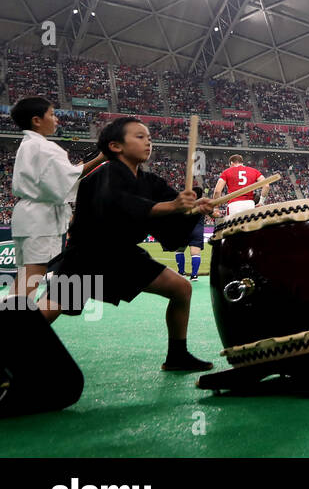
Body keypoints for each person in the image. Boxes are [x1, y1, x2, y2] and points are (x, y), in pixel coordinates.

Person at [38, 117, 214, 372]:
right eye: (140, 137)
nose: (148, 141)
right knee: (49, 311)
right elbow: (117, 205)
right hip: (88, 256)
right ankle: (9, 353)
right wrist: (173, 206)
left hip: (123, 255)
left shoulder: (150, 182)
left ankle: (177, 355)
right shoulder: (105, 174)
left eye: (149, 138)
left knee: (181, 289)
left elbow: (171, 212)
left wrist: (195, 208)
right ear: (116, 146)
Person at [8, 97, 102, 300]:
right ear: (36, 120)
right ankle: (13, 323)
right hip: (39, 217)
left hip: (27, 213)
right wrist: (102, 158)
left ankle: (12, 317)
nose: (56, 119)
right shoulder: (44, 147)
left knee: (26, 273)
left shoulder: (29, 144)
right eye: (51, 114)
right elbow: (71, 177)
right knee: (34, 272)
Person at [176, 185, 206, 281]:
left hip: (184, 230)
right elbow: (214, 214)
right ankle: (194, 275)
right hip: (197, 230)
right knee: (195, 253)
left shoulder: (185, 203)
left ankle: (181, 273)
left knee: (179, 250)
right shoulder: (203, 204)